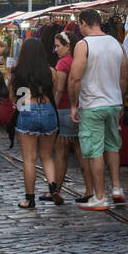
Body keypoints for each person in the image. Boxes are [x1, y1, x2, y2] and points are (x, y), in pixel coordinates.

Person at [69, 9, 128, 210]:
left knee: (95, 151)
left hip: (92, 104)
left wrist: (73, 104)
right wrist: (120, 100)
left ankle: (100, 197)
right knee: (112, 146)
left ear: (85, 23)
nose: (79, 28)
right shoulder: (116, 44)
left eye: (79, 24)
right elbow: (123, 76)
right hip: (113, 103)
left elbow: (75, 78)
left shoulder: (83, 45)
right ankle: (117, 189)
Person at [11, 36, 61, 208]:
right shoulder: (51, 71)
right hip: (47, 110)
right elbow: (53, 93)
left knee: (29, 159)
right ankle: (53, 187)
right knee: (47, 156)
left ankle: (29, 199)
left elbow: (14, 96)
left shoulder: (18, 71)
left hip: (26, 108)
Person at [51, 30, 93, 202]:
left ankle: (57, 190)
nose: (56, 49)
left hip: (63, 110)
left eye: (58, 46)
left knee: (60, 153)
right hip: (80, 109)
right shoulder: (80, 61)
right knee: (81, 152)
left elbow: (60, 89)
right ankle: (89, 190)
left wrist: (52, 108)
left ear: (67, 46)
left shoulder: (63, 64)